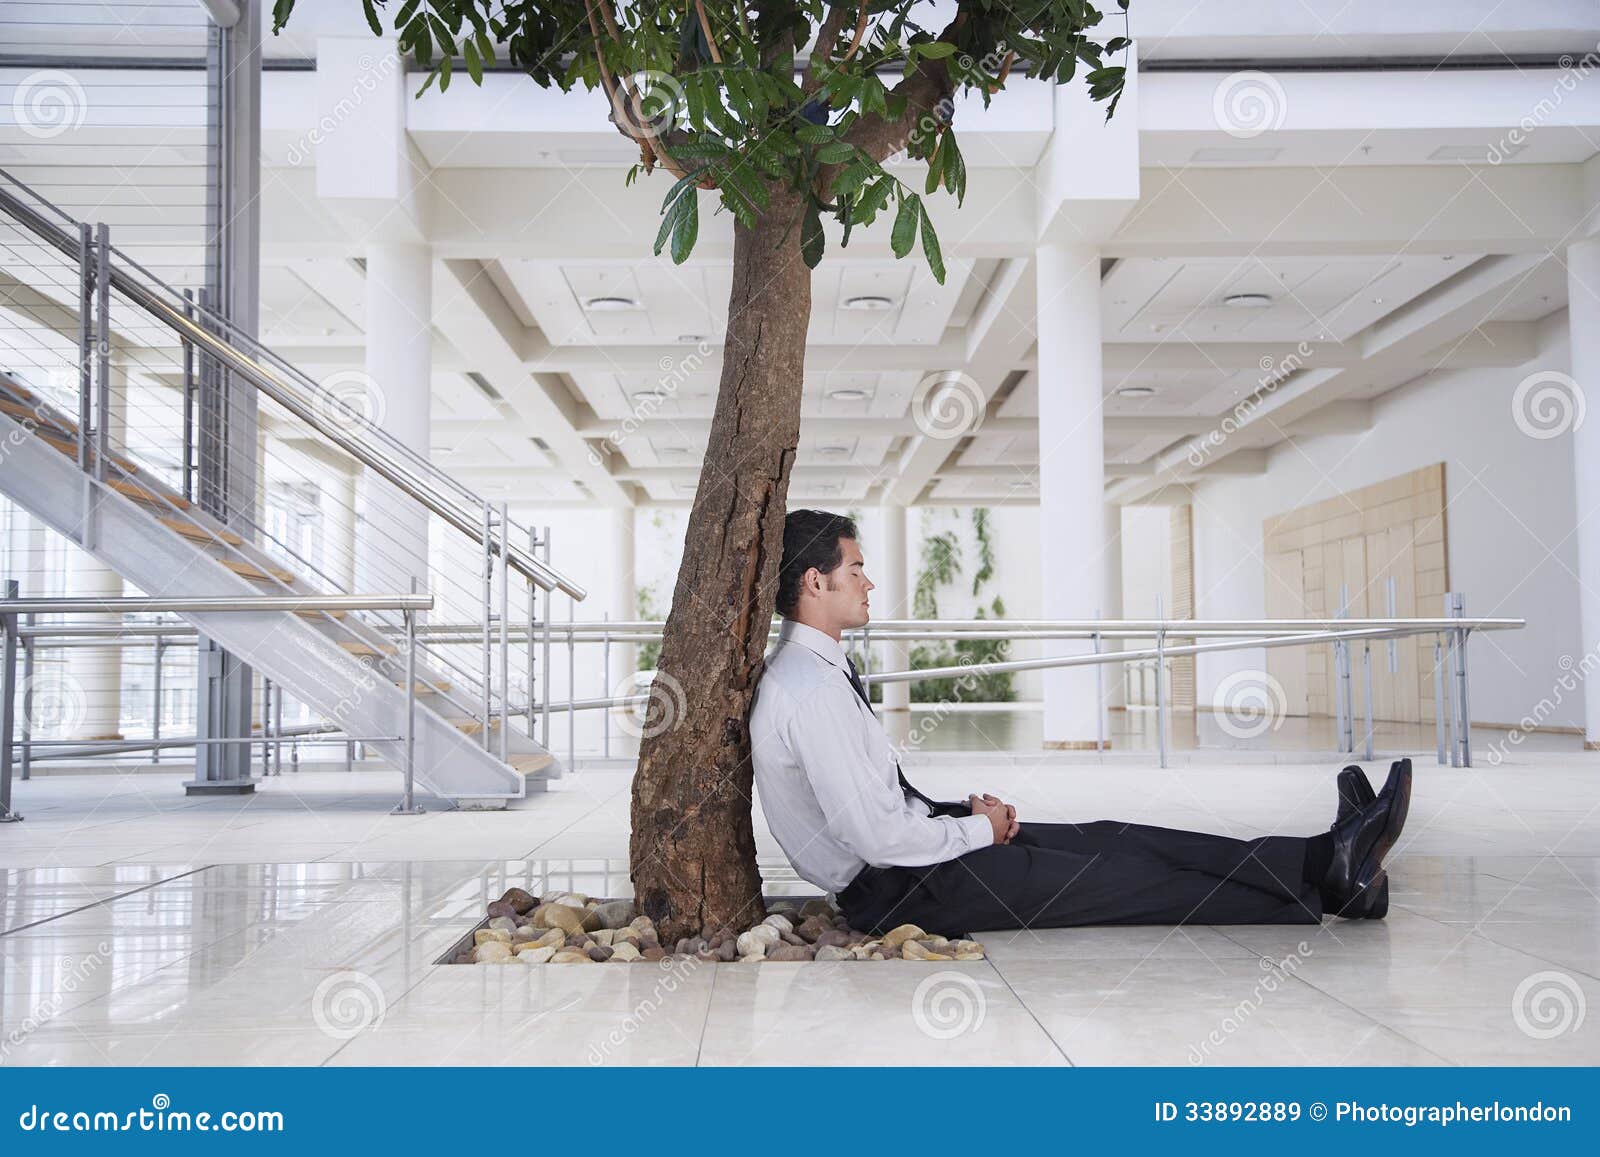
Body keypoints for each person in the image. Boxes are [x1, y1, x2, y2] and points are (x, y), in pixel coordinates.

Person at [748, 509, 1411, 939]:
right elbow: (870, 834)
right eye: (856, 568)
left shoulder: (821, 672)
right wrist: (976, 829)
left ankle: (1326, 857)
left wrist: (964, 818)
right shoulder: (807, 690)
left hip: (917, 854)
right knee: (1125, 882)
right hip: (901, 887)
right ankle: (1334, 889)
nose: (869, 583)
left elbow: (880, 810)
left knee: (1116, 838)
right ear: (815, 582)